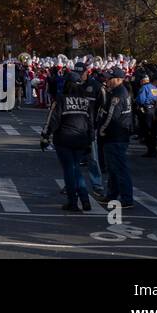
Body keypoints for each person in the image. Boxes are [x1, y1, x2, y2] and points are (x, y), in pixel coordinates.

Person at [41, 72, 96, 212]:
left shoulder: (61, 99)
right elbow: (90, 122)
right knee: (76, 169)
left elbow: (52, 119)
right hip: (81, 139)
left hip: (64, 139)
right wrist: (90, 140)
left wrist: (45, 136)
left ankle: (72, 201)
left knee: (69, 171)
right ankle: (85, 199)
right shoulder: (85, 101)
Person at [96, 68, 134, 208]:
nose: (107, 80)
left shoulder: (117, 95)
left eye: (110, 78)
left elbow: (112, 116)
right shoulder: (121, 92)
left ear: (118, 79)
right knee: (113, 168)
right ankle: (112, 195)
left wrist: (102, 129)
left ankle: (126, 198)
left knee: (119, 168)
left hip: (115, 135)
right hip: (119, 134)